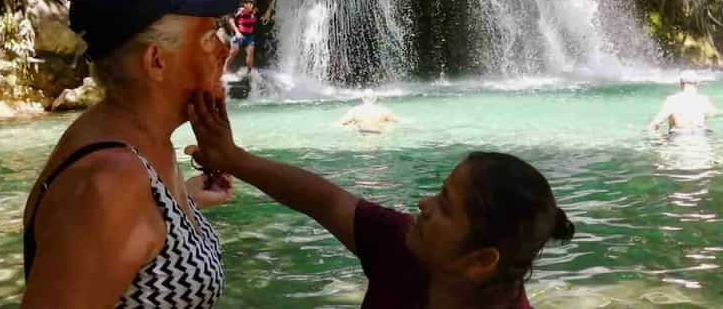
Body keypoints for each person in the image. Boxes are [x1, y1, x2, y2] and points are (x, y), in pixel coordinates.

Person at [185, 92, 575, 309]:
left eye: (444, 207)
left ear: (481, 261)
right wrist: (234, 159)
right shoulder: (405, 244)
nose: (423, 205)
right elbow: (324, 200)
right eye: (438, 193)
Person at [22, 0, 240, 308]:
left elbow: (139, 243)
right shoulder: (111, 184)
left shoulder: (141, 142)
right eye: (209, 36)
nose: (225, 49)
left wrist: (185, 201)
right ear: (156, 61)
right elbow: (105, 218)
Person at [650, 70, 716, 132]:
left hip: (678, 137)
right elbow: (712, 114)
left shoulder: (672, 100)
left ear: (681, 83)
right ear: (697, 83)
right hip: (701, 137)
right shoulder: (704, 100)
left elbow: (655, 124)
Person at [225, 0, 259, 73]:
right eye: (248, 3)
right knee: (234, 51)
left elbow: (263, 15)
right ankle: (224, 68)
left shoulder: (255, 12)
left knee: (250, 52)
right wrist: (237, 31)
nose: (250, 5)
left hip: (249, 36)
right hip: (238, 35)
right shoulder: (239, 11)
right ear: (244, 4)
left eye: (251, 4)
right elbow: (230, 19)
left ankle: (249, 72)